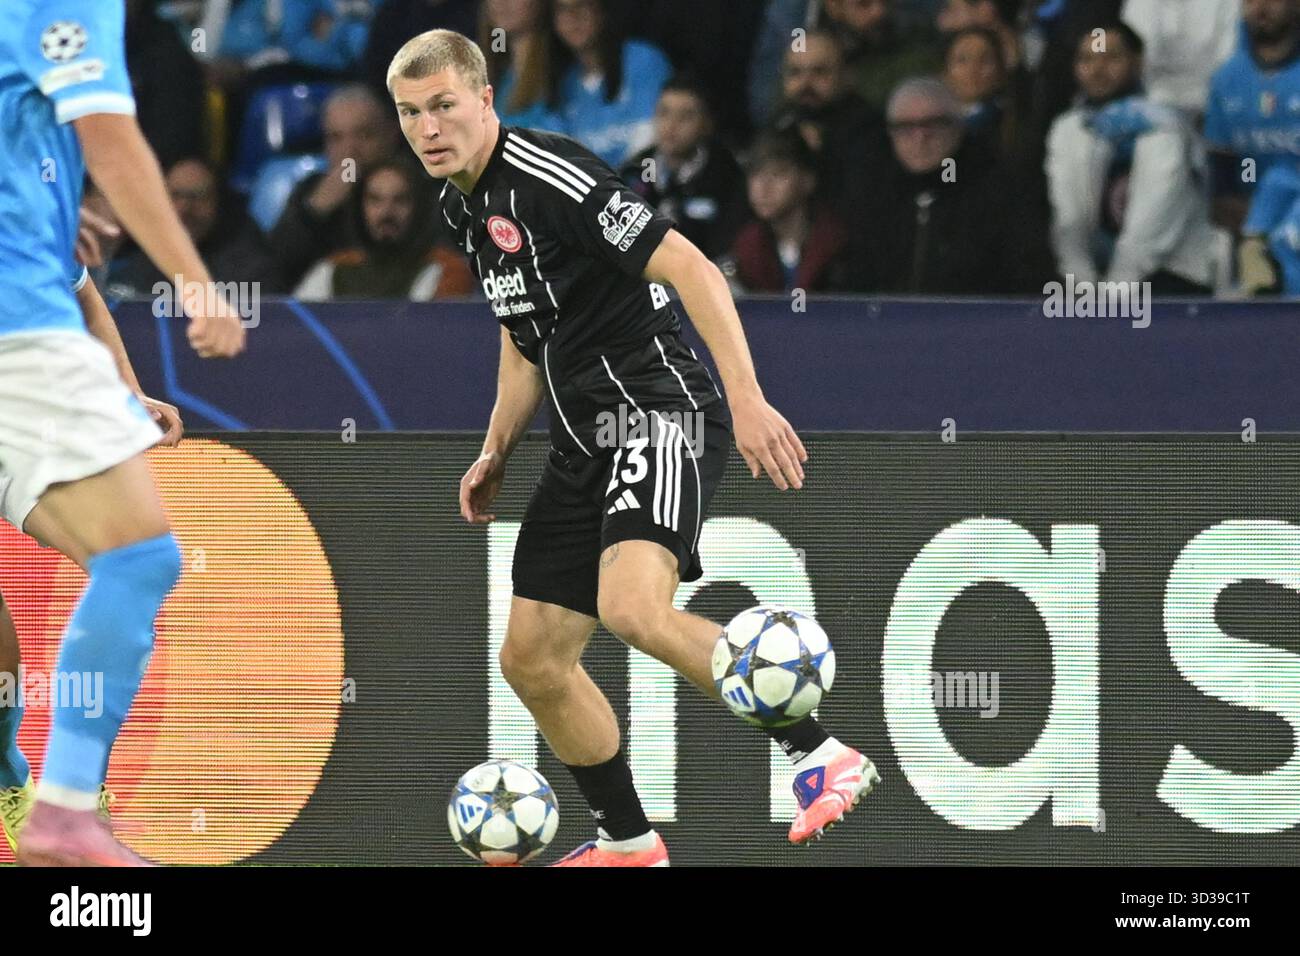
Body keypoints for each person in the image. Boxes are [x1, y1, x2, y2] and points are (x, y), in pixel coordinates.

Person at [388, 28, 879, 866]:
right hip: (582, 441)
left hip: (660, 411)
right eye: (409, 113)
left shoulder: (553, 177)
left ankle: (822, 755)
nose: (428, 128)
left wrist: (746, 398)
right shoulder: (460, 204)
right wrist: (497, 446)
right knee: (532, 660)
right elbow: (523, 332)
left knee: (631, 610)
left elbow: (692, 268)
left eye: (443, 106)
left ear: (485, 100)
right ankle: (628, 843)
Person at [0, 0, 244, 867]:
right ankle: (64, 808)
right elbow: (109, 137)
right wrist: (195, 282)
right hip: (16, 325)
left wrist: (41, 206)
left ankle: (41, 797)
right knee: (138, 560)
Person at [1045, 21, 1223, 293]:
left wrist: (1108, 299)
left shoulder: (1165, 125)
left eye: (1111, 58)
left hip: (1170, 272)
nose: (1098, 69)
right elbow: (1067, 219)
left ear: (1137, 62)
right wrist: (1081, 283)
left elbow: (1152, 228)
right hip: (1097, 281)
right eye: (1087, 59)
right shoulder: (1068, 129)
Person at [848, 77, 1051, 293]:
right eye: (906, 127)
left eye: (934, 124)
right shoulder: (874, 195)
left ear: (958, 127)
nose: (920, 138)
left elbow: (1028, 275)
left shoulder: (999, 193)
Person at [268, 84, 402, 285]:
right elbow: (273, 265)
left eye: (364, 135)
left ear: (392, 134)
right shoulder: (310, 191)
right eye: (336, 138)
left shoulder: (420, 190)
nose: (350, 151)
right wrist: (313, 213)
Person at [295, 159, 475, 299]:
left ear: (420, 208)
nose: (386, 212)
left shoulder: (448, 269)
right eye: (375, 200)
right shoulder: (333, 269)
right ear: (360, 207)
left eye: (400, 200)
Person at [619, 76, 750, 261]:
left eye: (686, 116)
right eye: (664, 113)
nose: (671, 125)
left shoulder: (727, 176)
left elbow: (728, 245)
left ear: (707, 124)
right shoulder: (634, 171)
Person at [114, 158, 286, 296]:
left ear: (218, 203)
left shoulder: (252, 267)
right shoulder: (142, 255)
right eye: (175, 195)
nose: (184, 208)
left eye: (197, 196)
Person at [1205, 0, 1300, 234]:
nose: (1261, 7)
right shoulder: (1226, 80)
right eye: (1251, 0)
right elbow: (1223, 181)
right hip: (1251, 219)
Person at [725, 132, 855, 294]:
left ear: (807, 180)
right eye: (756, 174)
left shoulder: (837, 246)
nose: (763, 187)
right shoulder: (746, 249)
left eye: (778, 174)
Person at [552, 0, 673, 167]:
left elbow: (652, 138)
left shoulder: (642, 60)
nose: (573, 17)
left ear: (601, 10)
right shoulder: (565, 84)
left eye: (582, 6)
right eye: (563, 9)